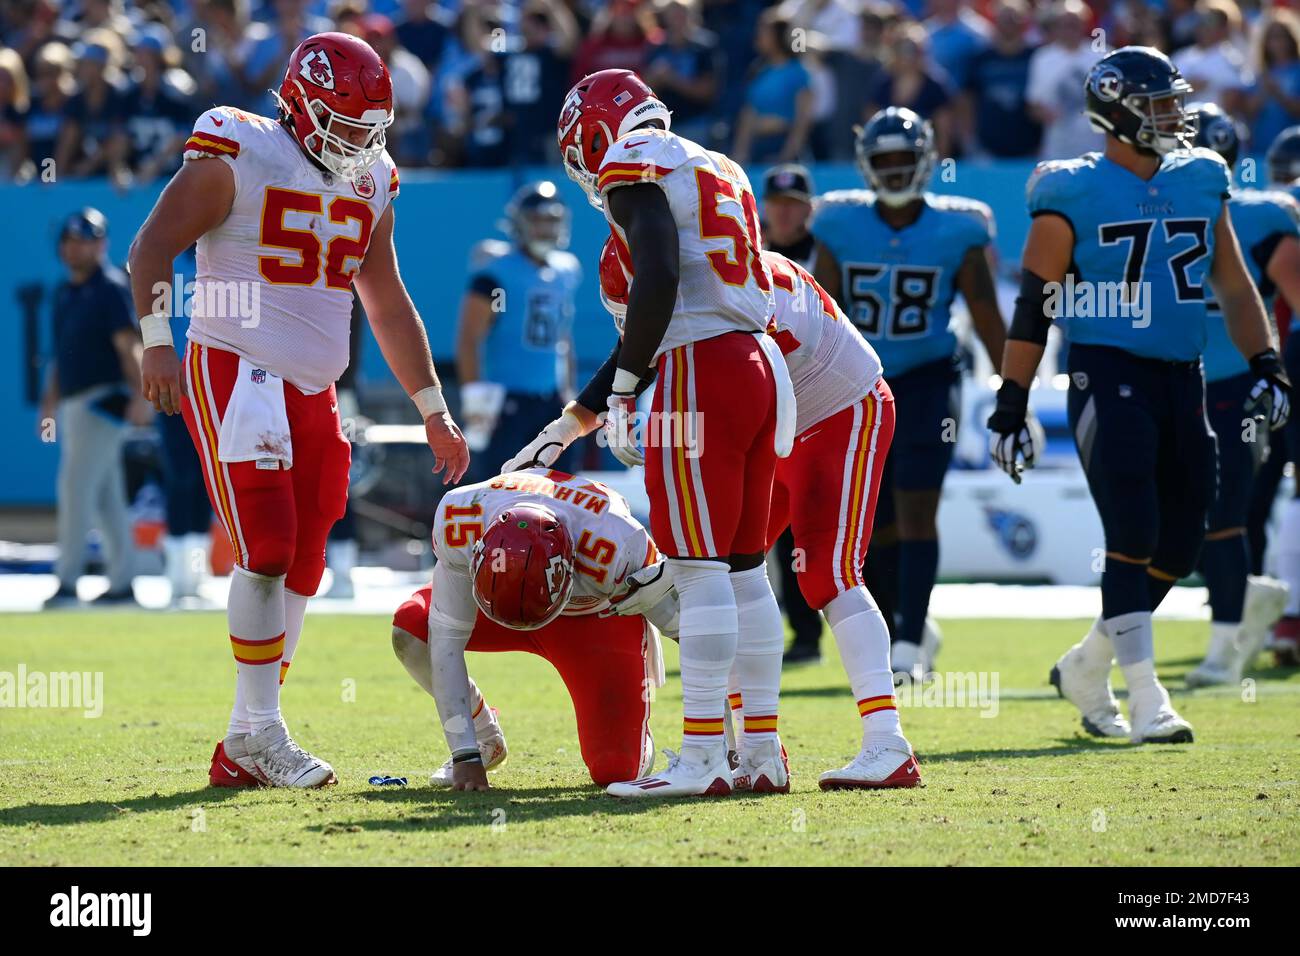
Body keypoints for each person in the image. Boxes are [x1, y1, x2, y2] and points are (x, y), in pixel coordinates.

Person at [128, 32, 470, 789]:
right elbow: (150, 248)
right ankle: (264, 733)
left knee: (308, 556)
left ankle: (246, 739)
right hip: (236, 367)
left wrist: (431, 405)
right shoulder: (239, 149)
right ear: (300, 103)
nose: (357, 143)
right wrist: (156, 342)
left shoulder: (374, 178)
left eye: (368, 130)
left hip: (316, 388)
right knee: (269, 546)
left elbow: (384, 297)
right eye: (344, 125)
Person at [987, 47, 1290, 744]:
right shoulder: (1071, 189)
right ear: (1117, 112)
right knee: (1131, 536)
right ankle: (1147, 700)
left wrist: (1267, 361)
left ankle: (1088, 665)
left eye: (1174, 103)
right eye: (1159, 105)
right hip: (1105, 371)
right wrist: (1012, 401)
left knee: (1178, 549)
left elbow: (1236, 285)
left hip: (1185, 377)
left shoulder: (1201, 178)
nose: (1174, 117)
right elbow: (1036, 306)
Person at [512, 68, 795, 798]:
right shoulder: (720, 165)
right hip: (757, 365)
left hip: (699, 367)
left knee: (698, 570)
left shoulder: (634, 164)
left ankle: (701, 760)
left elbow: (661, 277)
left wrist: (632, 389)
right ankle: (760, 753)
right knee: (743, 570)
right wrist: (581, 415)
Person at [599, 238, 921, 788]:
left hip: (839, 408)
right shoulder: (716, 273)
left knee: (825, 573)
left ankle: (887, 742)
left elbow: (713, 398)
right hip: (777, 421)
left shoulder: (727, 292)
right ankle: (754, 749)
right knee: (724, 570)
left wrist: (647, 428)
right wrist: (575, 423)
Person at [811, 107, 1007, 681]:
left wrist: (1011, 389)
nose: (895, 171)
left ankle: (910, 643)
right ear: (865, 165)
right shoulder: (839, 225)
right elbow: (824, 314)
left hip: (927, 380)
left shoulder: (960, 227)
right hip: (861, 383)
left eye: (904, 159)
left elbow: (986, 313)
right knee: (875, 521)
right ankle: (902, 623)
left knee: (919, 510)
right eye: (884, 161)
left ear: (925, 160)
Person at [391, 468, 677, 791]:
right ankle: (486, 737)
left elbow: (686, 629)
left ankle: (636, 738)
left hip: (596, 618)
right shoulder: (463, 513)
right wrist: (465, 755)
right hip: (495, 603)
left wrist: (718, 739)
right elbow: (446, 642)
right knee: (412, 627)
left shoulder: (619, 543)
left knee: (615, 769)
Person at [1184, 104, 1299, 687]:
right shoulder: (1153, 208)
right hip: (1174, 377)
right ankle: (1246, 606)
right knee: (1186, 516)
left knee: (1227, 515)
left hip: (1237, 379)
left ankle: (1227, 643)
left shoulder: (1260, 217)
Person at [41, 208, 148, 608]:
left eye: (84, 241)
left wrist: (141, 395)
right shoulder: (65, 291)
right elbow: (61, 355)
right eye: (69, 241)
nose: (75, 249)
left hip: (102, 402)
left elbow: (128, 346)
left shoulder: (110, 286)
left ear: (101, 244)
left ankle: (67, 583)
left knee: (74, 489)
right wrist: (49, 403)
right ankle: (122, 583)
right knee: (106, 496)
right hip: (74, 402)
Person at [456, 181, 581, 481]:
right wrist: (475, 398)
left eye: (552, 220)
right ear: (520, 224)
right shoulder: (496, 273)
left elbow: (563, 337)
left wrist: (570, 392)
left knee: (560, 489)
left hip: (551, 400)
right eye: (538, 220)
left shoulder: (566, 269)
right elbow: (469, 339)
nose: (545, 229)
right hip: (506, 401)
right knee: (504, 486)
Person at [758, 163, 821, 663]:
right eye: (776, 204)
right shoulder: (748, 253)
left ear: (808, 208)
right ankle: (799, 631)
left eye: (793, 204)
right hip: (770, 399)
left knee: (817, 517)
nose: (784, 213)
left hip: (823, 395)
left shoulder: (830, 252)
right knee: (773, 516)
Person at [962, 0, 1043, 159]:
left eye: (1015, 18)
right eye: (1004, 19)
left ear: (1025, 23)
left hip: (1031, 149)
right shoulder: (980, 59)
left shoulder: (1038, 58)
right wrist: (969, 141)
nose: (1009, 24)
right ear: (995, 21)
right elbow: (966, 101)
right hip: (987, 150)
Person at [732, 9, 814, 164]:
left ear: (779, 36)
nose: (758, 36)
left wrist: (786, 156)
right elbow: (748, 114)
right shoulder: (758, 71)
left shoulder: (798, 71)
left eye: (764, 31)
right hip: (758, 149)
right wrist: (741, 153)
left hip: (784, 148)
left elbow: (803, 120)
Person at [1026, 0, 1102, 160]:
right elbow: (1033, 104)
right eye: (1064, 24)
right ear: (1056, 27)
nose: (1069, 29)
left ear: (1085, 24)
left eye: (1074, 23)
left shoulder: (1103, 56)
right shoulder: (1042, 58)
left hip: (1098, 150)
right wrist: (1047, 114)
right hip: (1058, 151)